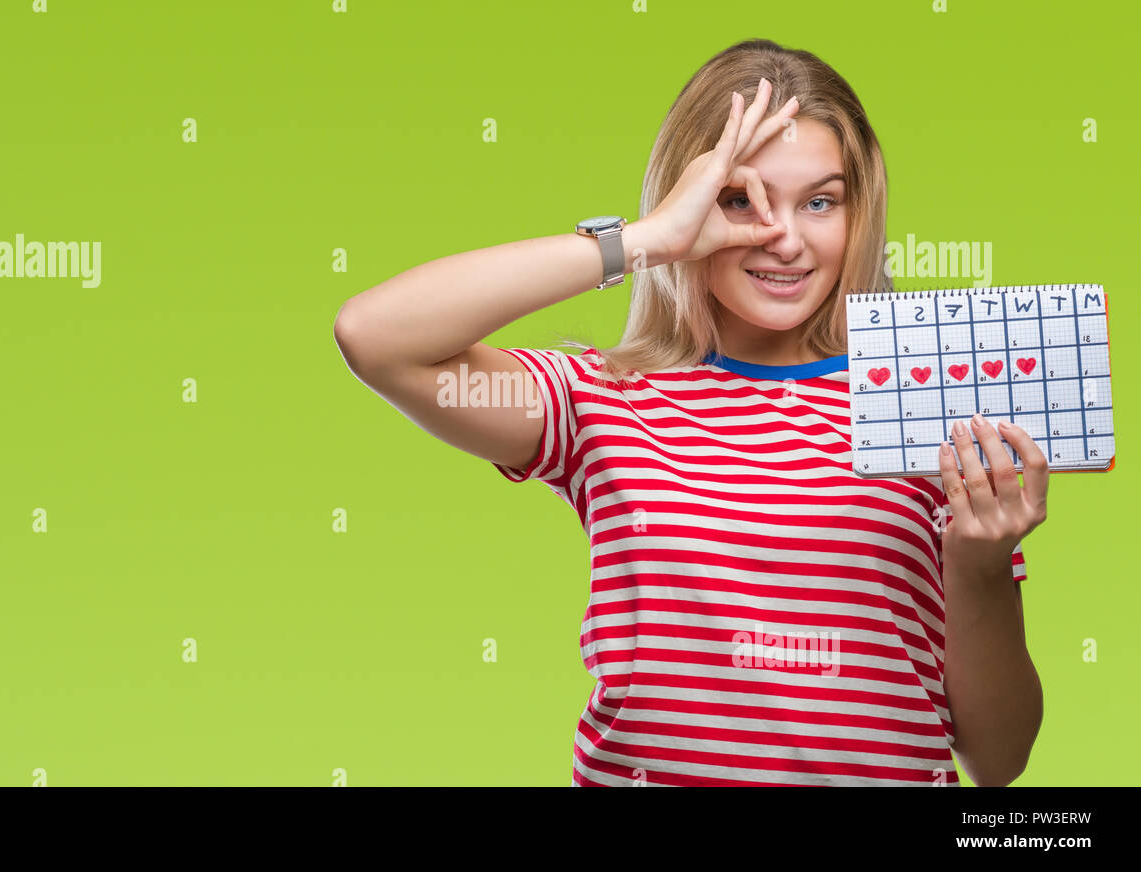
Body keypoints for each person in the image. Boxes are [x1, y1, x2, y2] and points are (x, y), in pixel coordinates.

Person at [332, 38, 1045, 787]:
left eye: (821, 201)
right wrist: (643, 242)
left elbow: (999, 762)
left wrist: (980, 566)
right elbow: (376, 338)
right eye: (742, 199)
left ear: (859, 212)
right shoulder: (601, 401)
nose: (787, 240)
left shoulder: (927, 407)